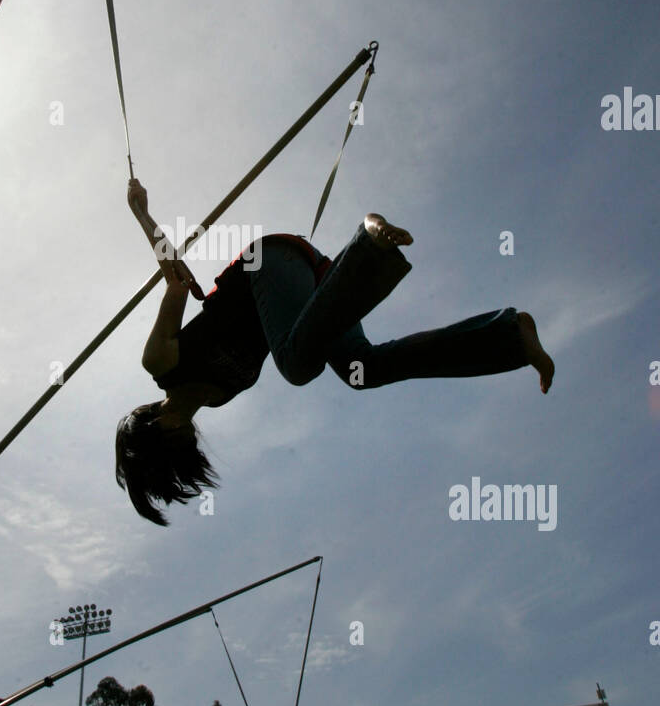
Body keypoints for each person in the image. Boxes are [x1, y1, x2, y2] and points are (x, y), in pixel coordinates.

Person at [116, 179, 555, 525]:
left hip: (267, 264)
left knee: (296, 366)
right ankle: (509, 336)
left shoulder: (160, 363)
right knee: (364, 369)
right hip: (322, 285)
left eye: (169, 450)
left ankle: (368, 247)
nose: (183, 444)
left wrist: (141, 212)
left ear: (156, 428)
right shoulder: (218, 396)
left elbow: (176, 278)